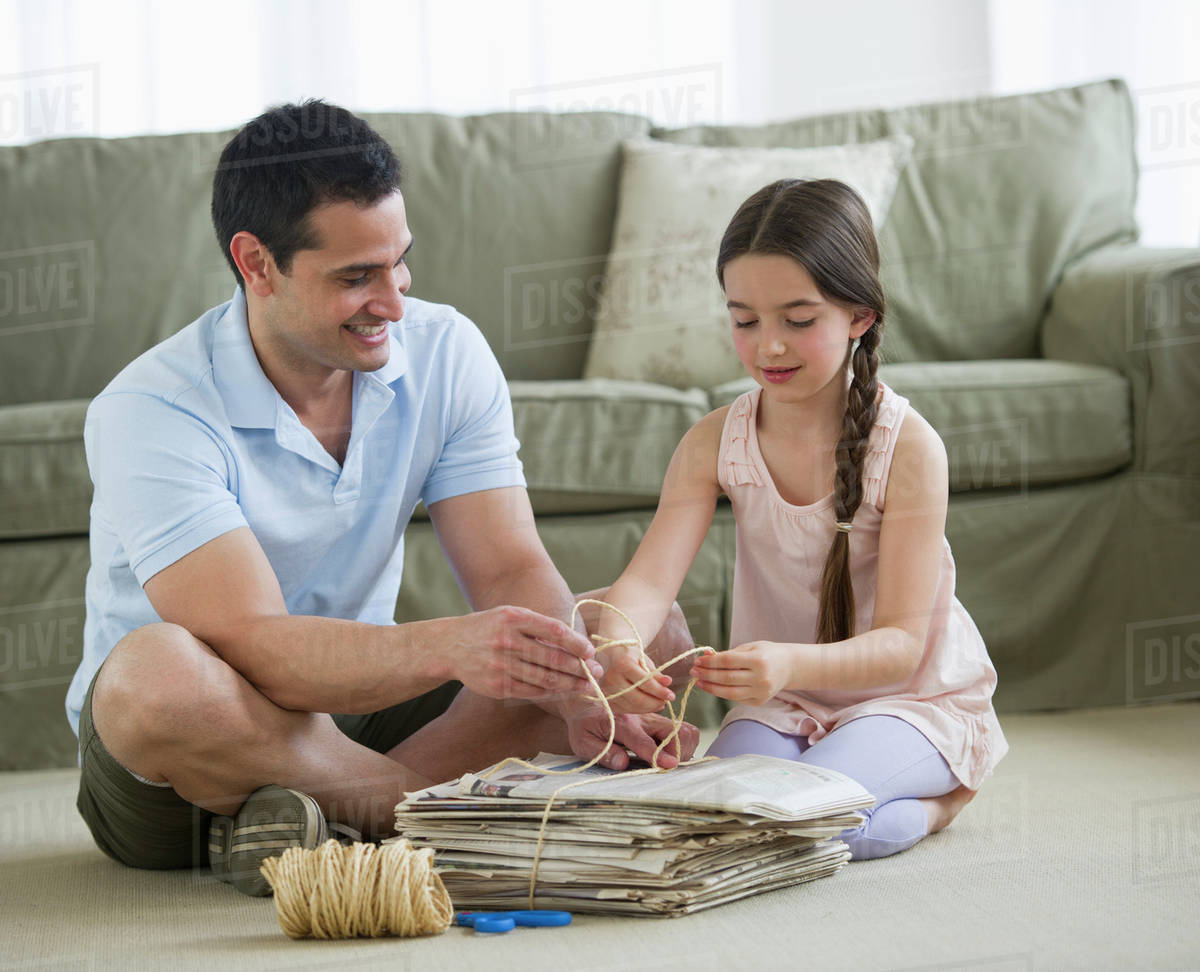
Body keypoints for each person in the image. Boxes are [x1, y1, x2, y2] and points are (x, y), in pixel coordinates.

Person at [65, 100, 697, 895]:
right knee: (153, 677)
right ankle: (417, 815)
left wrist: (573, 688)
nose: (394, 303)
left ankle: (311, 829)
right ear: (257, 264)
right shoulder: (151, 409)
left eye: (398, 262)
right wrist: (449, 647)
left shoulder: (445, 352)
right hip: (190, 749)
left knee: (640, 633)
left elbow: (508, 570)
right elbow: (257, 648)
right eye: (356, 277)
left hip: (361, 711)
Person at [594, 178, 1008, 860]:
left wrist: (785, 662)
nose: (769, 347)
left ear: (860, 316)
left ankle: (940, 803)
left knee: (803, 815)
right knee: (727, 817)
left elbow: (903, 646)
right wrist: (618, 642)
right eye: (745, 320)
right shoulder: (712, 442)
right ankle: (881, 801)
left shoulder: (908, 447)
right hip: (786, 703)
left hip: (910, 700)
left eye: (798, 318)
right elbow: (645, 583)